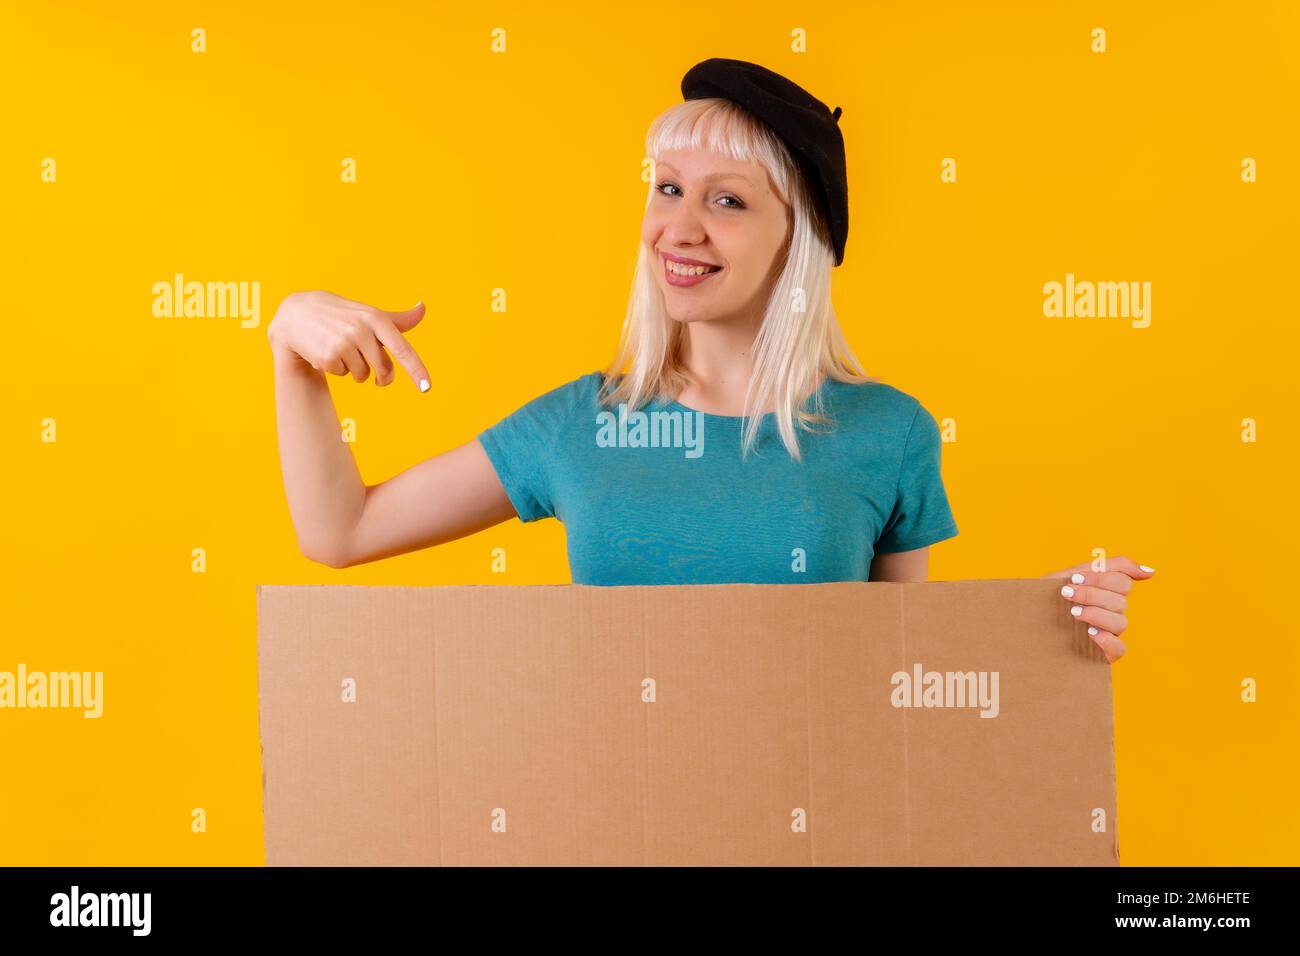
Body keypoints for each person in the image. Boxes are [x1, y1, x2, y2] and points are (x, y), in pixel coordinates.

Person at [266, 58, 1152, 662]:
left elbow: (899, 677)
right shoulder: (583, 423)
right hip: (614, 833)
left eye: (726, 200)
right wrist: (290, 346)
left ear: (796, 241)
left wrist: (1041, 623)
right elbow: (339, 533)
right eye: (666, 189)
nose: (678, 228)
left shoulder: (888, 432)